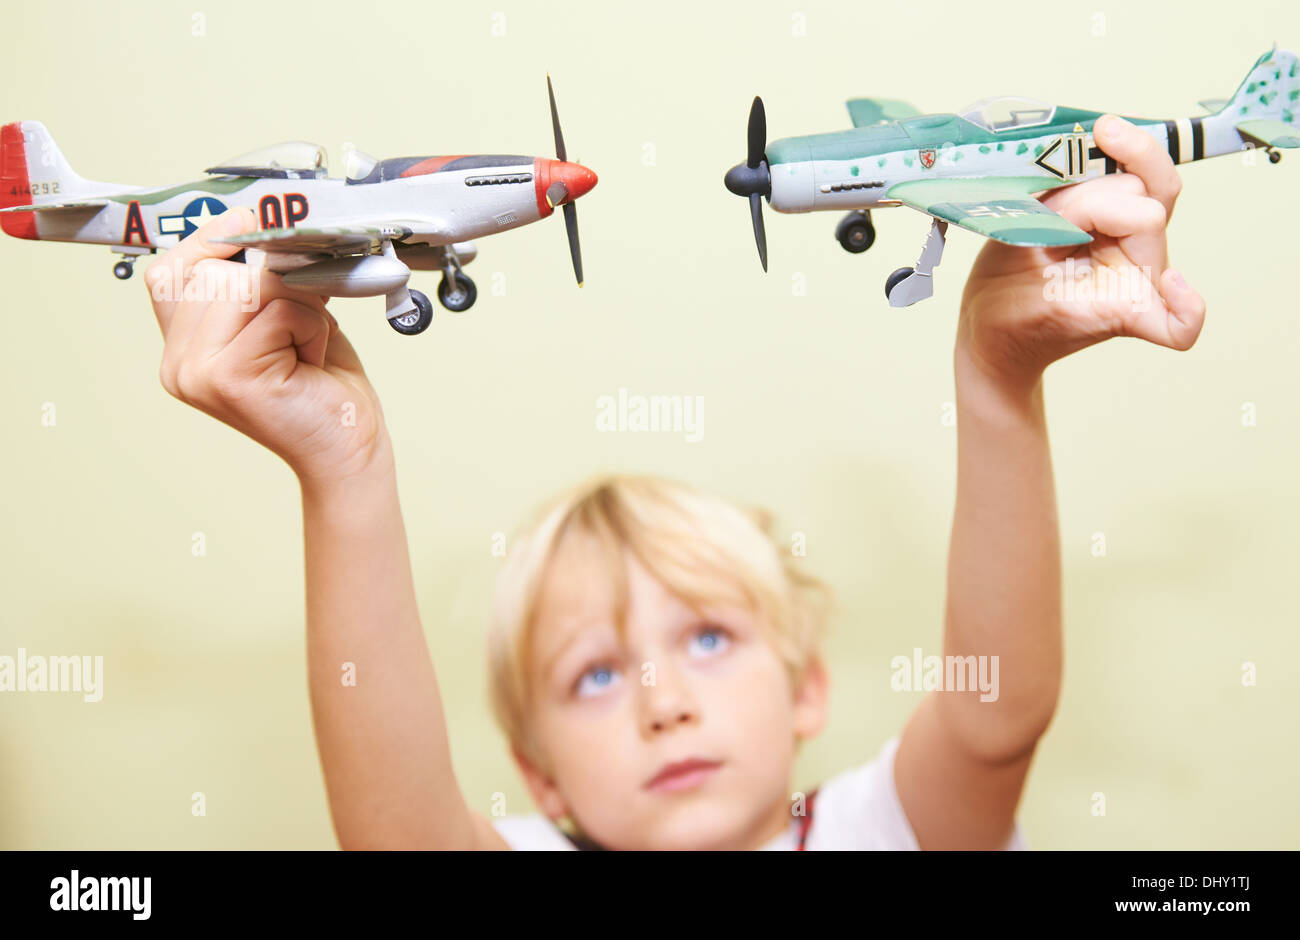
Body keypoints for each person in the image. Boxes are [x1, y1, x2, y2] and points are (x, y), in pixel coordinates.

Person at [142, 114, 1205, 850]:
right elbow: (398, 834)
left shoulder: (880, 830)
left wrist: (998, 378)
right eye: (593, 675)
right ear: (540, 774)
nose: (664, 703)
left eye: (707, 636)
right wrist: (342, 467)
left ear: (807, 688)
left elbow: (995, 714)